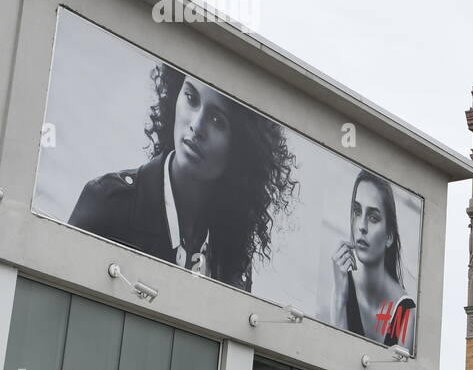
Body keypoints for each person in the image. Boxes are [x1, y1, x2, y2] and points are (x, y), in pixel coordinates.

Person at [70, 64, 298, 291]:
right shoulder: (108, 204)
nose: (196, 126)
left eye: (217, 121)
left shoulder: (231, 263)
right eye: (190, 98)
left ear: (242, 148)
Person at [332, 170, 415, 347]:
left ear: (389, 237)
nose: (361, 226)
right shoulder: (341, 285)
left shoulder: (404, 311)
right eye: (356, 211)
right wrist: (340, 297)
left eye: (373, 217)